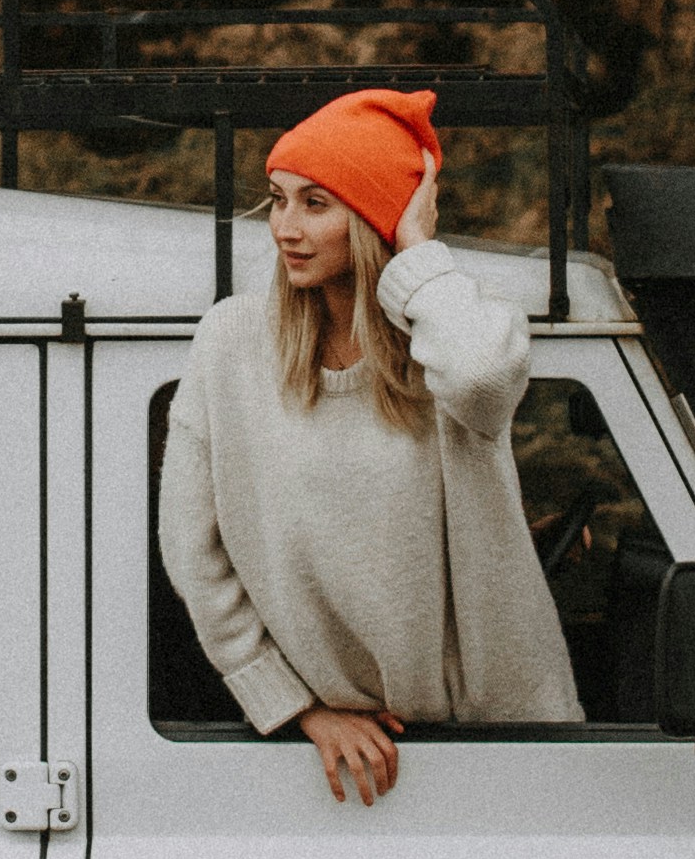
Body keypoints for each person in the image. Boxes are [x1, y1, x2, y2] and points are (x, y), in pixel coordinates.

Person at [156, 81, 581, 802]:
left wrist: (415, 247)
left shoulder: (453, 334)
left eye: (315, 203)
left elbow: (481, 377)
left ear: (373, 218)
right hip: (351, 764)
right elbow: (192, 548)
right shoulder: (231, 343)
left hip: (505, 748)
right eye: (278, 197)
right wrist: (297, 707)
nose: (284, 227)